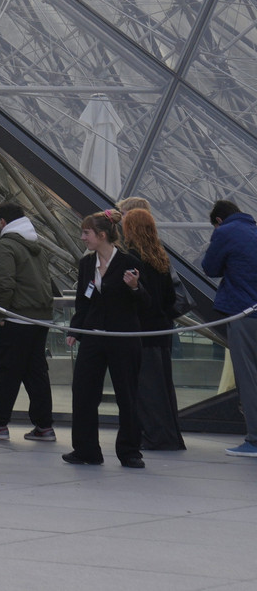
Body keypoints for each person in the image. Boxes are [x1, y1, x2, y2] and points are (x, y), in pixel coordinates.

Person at [64, 211, 146, 468]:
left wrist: (135, 287)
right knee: (84, 392)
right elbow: (83, 301)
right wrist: (75, 330)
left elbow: (147, 304)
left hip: (123, 338)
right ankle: (86, 449)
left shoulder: (129, 262)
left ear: (101, 235)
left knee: (127, 394)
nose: (82, 237)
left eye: (86, 233)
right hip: (93, 337)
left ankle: (130, 451)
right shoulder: (87, 264)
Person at [0, 202, 56, 442]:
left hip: (16, 318)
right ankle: (44, 426)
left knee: (7, 372)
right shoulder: (37, 246)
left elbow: (3, 284)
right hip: (40, 318)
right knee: (36, 372)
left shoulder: (5, 246)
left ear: (3, 222)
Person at [120, 204, 186, 451]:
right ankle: (169, 435)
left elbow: (137, 297)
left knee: (146, 388)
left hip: (141, 330)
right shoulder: (160, 256)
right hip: (161, 329)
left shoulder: (133, 258)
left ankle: (157, 435)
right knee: (163, 386)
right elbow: (171, 297)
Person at [202, 199, 257, 458]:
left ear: (218, 221)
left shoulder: (225, 232)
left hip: (244, 314)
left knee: (248, 379)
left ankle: (255, 439)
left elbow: (210, 267)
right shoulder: (254, 230)